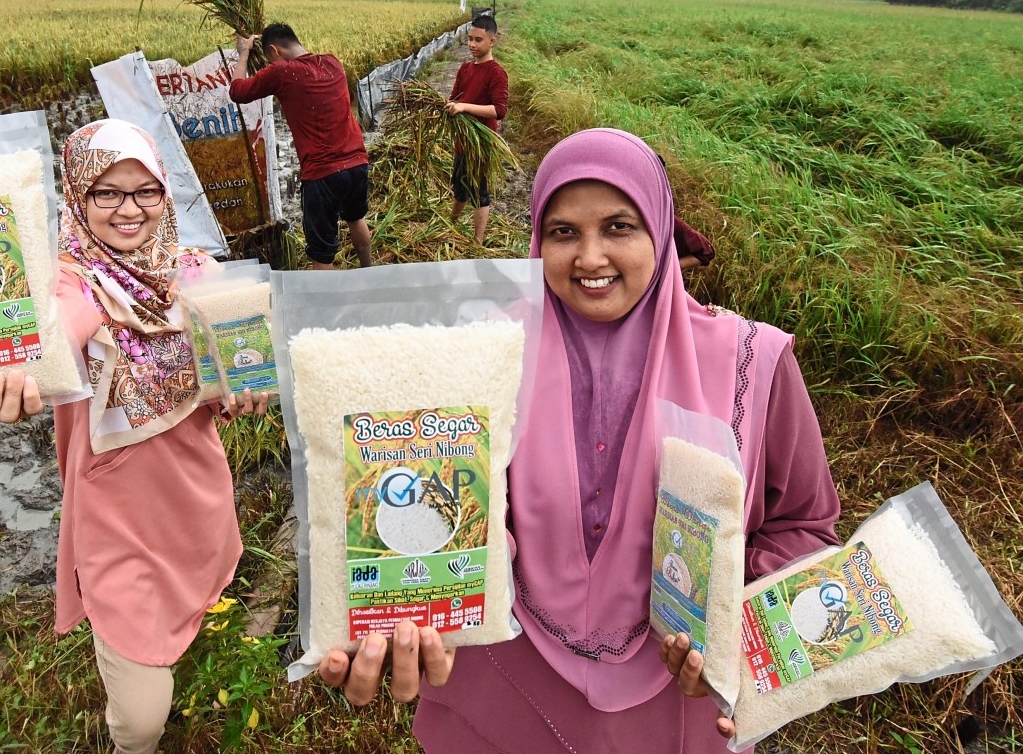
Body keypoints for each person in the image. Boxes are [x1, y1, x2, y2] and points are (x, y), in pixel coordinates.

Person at [319, 128, 841, 753]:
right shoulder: (481, 354)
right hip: (507, 674)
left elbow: (804, 524)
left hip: (676, 698)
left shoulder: (749, 363)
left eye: (618, 227)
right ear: (538, 240)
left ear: (660, 230)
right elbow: (423, 505)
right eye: (563, 232)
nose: (590, 258)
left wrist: (737, 633)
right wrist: (395, 607)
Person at [0, 118, 268, 754]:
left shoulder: (198, 273)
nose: (129, 210)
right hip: (114, 516)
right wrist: (18, 366)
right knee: (141, 719)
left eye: (144, 191)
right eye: (107, 193)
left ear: (164, 194)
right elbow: (59, 326)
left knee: (196, 606)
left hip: (194, 496)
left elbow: (243, 369)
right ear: (77, 195)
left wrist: (249, 385)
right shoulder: (70, 282)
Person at [229, 23, 373, 271]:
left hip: (324, 174)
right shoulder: (332, 62)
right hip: (357, 163)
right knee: (356, 218)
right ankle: (369, 271)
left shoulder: (282, 72)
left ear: (274, 51)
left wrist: (244, 52)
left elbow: (237, 91)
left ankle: (324, 307)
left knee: (322, 251)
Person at [445, 14, 509, 246]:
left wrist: (464, 107)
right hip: (463, 141)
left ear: (492, 41)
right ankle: (450, 223)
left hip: (481, 144)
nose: (472, 44)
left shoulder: (496, 73)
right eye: (470, 39)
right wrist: (449, 107)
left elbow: (499, 110)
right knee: (459, 184)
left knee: (479, 193)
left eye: (478, 40)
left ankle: (477, 243)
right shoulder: (465, 69)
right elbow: (454, 98)